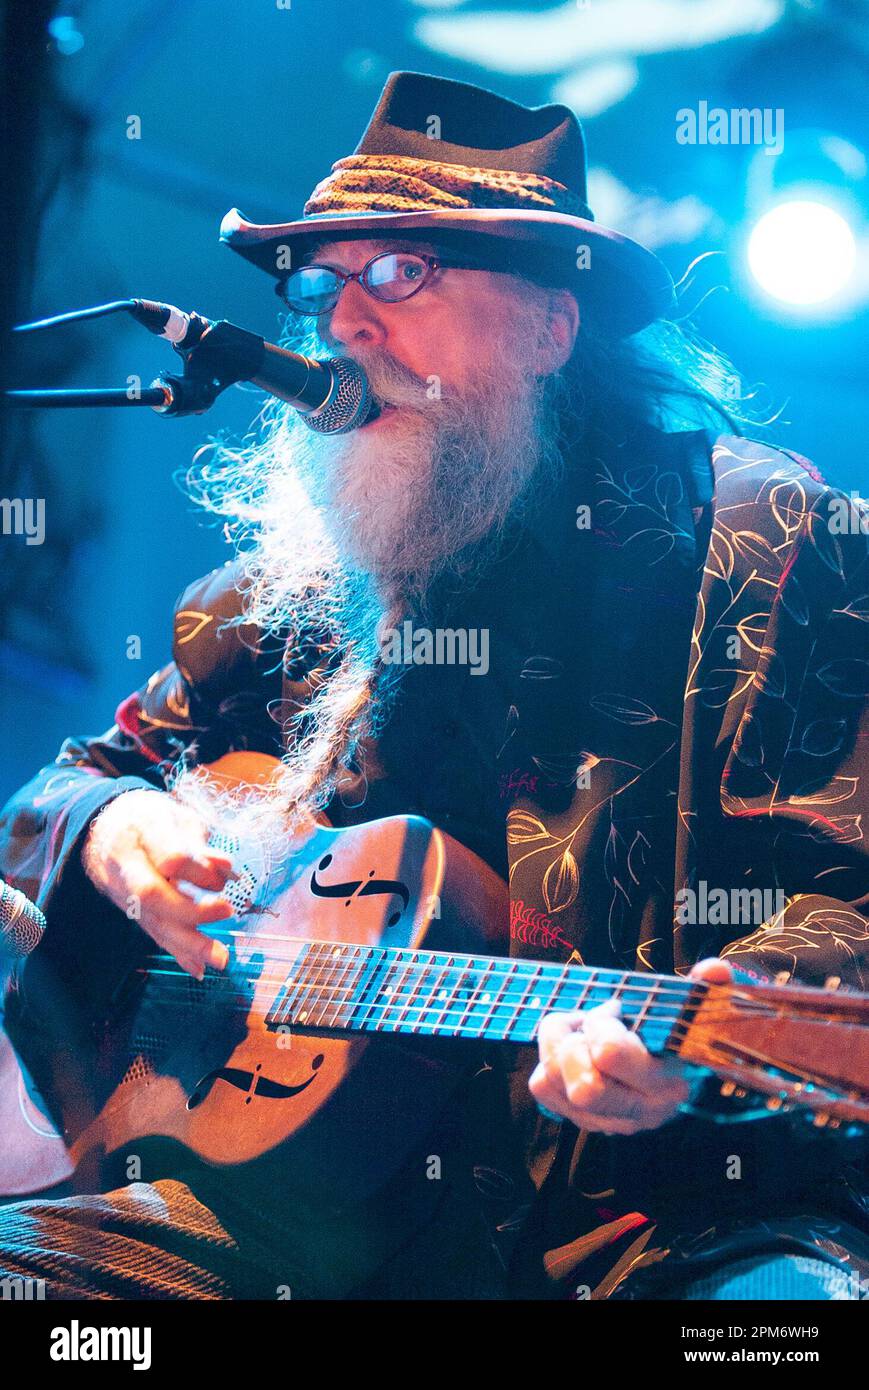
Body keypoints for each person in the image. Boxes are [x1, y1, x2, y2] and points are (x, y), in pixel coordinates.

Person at [0, 70, 867, 1301]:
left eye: (399, 272)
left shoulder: (767, 544)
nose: (344, 322)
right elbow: (78, 779)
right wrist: (114, 831)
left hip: (635, 1216)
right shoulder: (294, 587)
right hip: (266, 1214)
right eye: (324, 280)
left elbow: (851, 891)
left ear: (547, 327)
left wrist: (693, 1056)